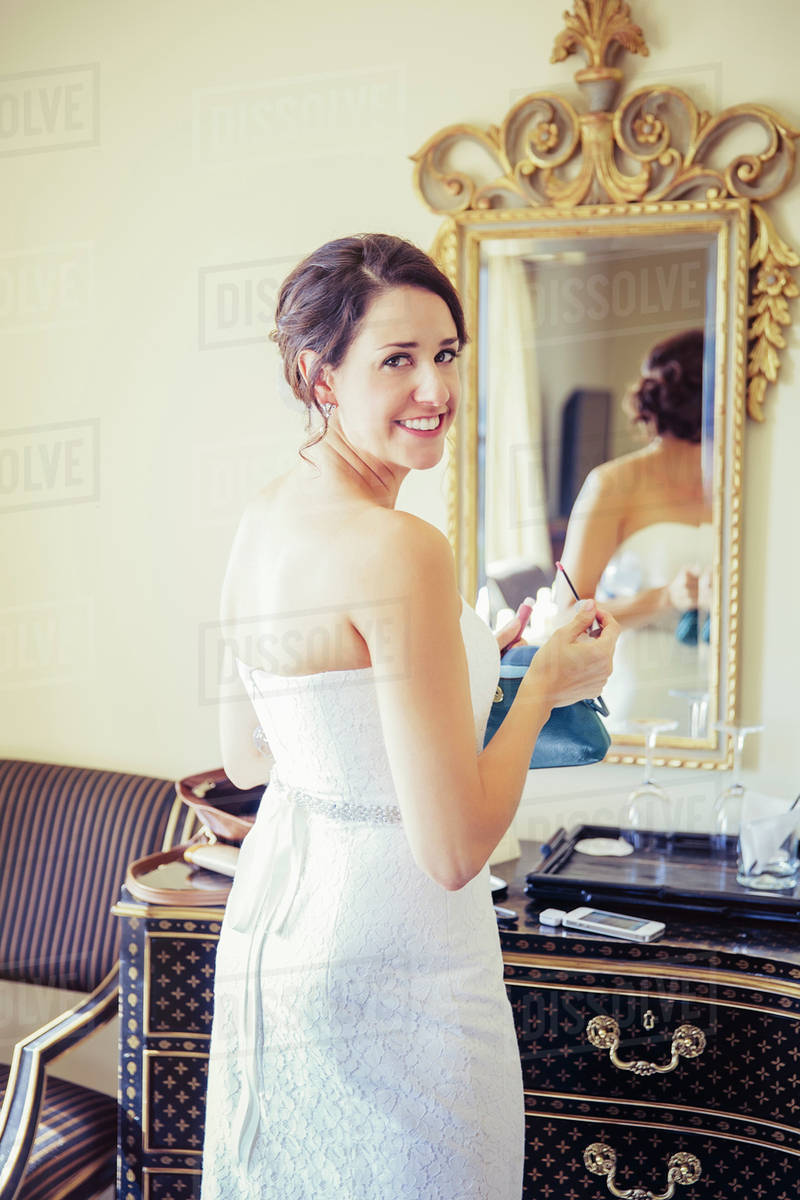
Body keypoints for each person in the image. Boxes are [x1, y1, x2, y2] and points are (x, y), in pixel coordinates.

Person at [201, 233, 617, 1200]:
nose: (435, 388)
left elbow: (251, 754)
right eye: (396, 360)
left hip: (285, 937)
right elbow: (455, 850)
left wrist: (478, 662)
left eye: (446, 354)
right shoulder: (400, 547)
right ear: (320, 376)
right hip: (405, 959)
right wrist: (546, 681)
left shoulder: (265, 516)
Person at [555, 328, 712, 731]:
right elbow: (566, 614)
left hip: (724, 696)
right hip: (641, 694)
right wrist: (665, 597)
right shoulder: (613, 484)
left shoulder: (745, 488)